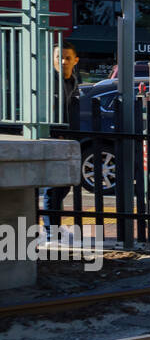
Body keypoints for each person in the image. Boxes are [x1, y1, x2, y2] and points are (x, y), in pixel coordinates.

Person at [40, 44, 82, 241]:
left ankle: (54, 228)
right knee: (52, 188)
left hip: (69, 139)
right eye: (59, 57)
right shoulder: (48, 81)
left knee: (63, 186)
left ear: (75, 60)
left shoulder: (74, 81)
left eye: (67, 57)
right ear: (52, 59)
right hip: (52, 138)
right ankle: (51, 232)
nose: (63, 61)